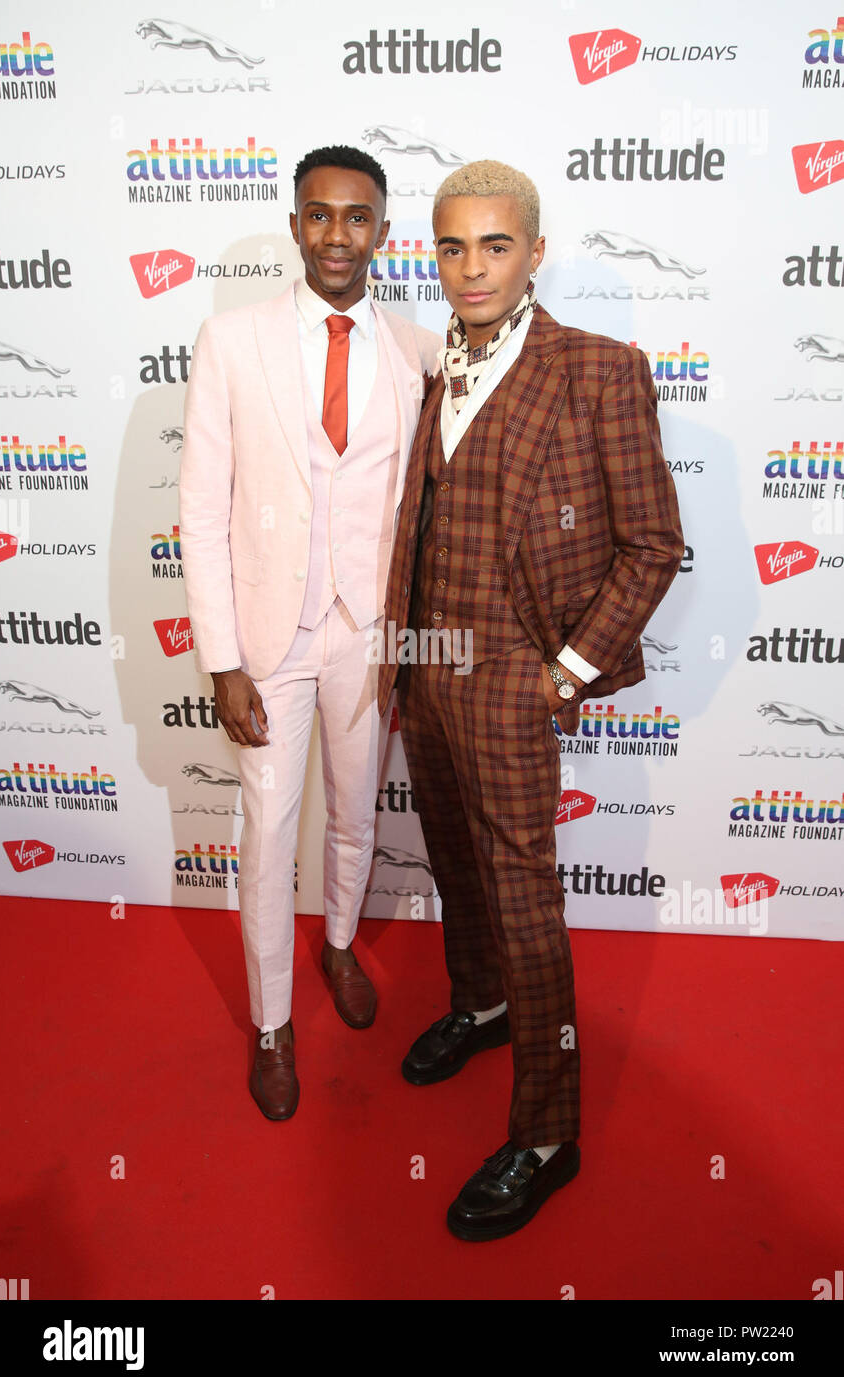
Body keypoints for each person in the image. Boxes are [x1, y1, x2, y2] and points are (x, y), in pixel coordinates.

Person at [378, 160, 684, 1240]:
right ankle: (484, 1002)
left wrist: (562, 670)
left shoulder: (598, 370)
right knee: (454, 858)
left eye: (493, 245)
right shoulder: (426, 368)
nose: (470, 268)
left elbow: (653, 546)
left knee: (523, 901)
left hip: (515, 677)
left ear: (535, 251)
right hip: (424, 664)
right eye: (450, 246)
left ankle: (548, 1133)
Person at [179, 145, 440, 1121]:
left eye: (357, 216)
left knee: (356, 814)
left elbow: (420, 512)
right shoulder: (231, 341)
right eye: (319, 215)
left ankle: (337, 943)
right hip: (267, 641)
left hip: (367, 639)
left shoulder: (415, 350)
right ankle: (272, 1026)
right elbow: (202, 512)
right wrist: (222, 661)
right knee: (266, 834)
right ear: (296, 227)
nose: (337, 233)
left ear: (381, 229)